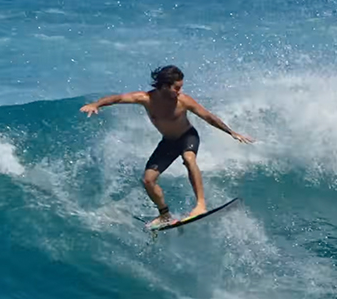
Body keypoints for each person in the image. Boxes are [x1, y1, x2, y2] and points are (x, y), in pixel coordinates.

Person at [79, 65, 253, 228]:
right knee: (148, 180)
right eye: (176, 87)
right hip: (168, 142)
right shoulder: (145, 99)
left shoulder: (183, 101)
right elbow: (118, 98)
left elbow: (208, 117)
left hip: (187, 137)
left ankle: (201, 205)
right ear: (164, 86)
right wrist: (96, 104)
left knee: (189, 158)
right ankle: (165, 215)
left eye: (181, 87)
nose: (180, 91)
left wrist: (232, 132)